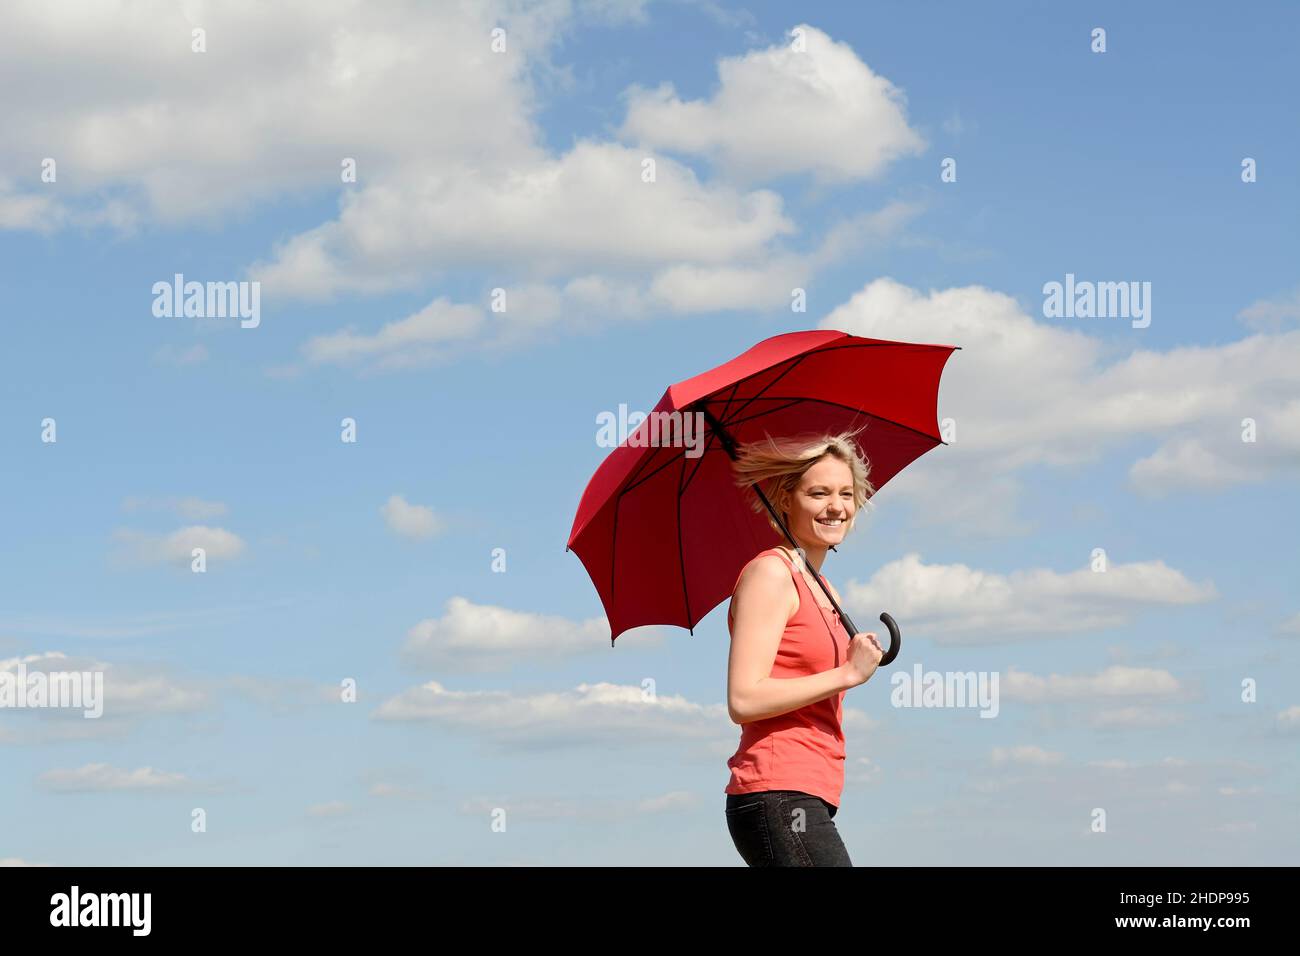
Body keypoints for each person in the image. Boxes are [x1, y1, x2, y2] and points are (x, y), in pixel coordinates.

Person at [723, 429, 885, 866]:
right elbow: (744, 697)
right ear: (784, 499)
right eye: (818, 493)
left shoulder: (821, 585)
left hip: (810, 789)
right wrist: (847, 674)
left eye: (846, 493)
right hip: (777, 790)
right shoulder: (771, 575)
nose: (837, 506)